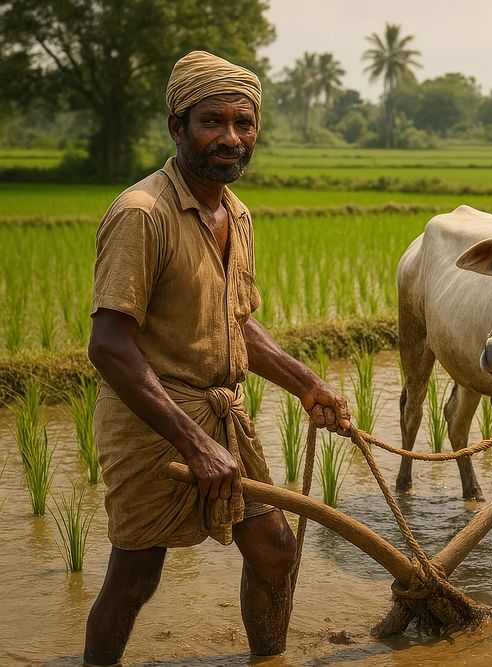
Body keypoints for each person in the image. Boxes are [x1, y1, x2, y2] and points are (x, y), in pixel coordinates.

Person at [83, 50, 351, 665]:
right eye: (213, 122)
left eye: (244, 123)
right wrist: (192, 442)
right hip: (153, 421)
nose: (232, 138)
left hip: (221, 413)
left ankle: (268, 660)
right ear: (177, 128)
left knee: (275, 553)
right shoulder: (141, 214)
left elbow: (237, 321)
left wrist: (307, 384)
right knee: (135, 576)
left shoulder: (235, 212)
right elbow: (110, 344)